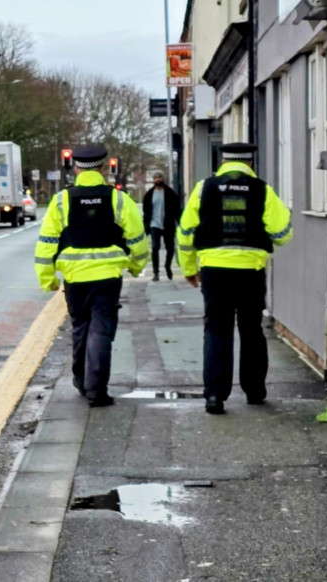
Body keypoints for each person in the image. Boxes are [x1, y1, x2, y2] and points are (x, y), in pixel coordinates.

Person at [176, 142, 292, 415]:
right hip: (250, 271)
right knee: (251, 329)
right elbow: (283, 234)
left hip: (214, 272)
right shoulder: (263, 189)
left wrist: (189, 268)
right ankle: (254, 391)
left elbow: (185, 233)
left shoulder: (204, 188)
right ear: (250, 163)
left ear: (223, 161)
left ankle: (215, 396)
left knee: (217, 330)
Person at [34, 145, 148, 407]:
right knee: (101, 329)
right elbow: (138, 238)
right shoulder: (118, 199)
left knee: (81, 326)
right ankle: (96, 389)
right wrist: (134, 265)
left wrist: (47, 277)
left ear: (76, 168)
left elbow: (47, 243)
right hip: (108, 277)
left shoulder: (61, 200)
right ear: (104, 168)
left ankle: (81, 379)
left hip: (75, 278)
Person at [142, 171, 181, 281]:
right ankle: (156, 273)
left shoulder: (170, 193)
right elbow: (146, 212)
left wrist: (180, 223)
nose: (158, 179)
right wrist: (146, 226)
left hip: (168, 224)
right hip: (154, 224)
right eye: (156, 178)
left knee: (170, 248)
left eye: (160, 177)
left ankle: (167, 266)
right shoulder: (149, 195)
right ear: (153, 180)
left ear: (163, 179)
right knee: (155, 247)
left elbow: (177, 210)